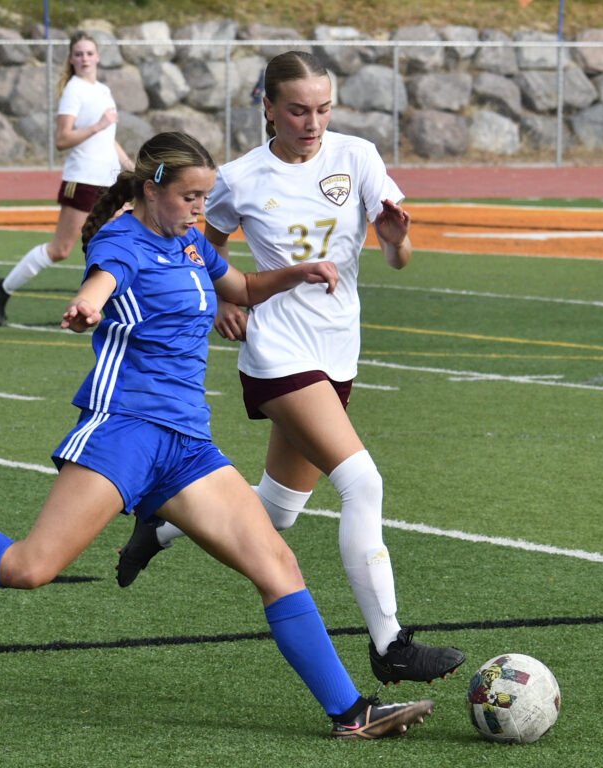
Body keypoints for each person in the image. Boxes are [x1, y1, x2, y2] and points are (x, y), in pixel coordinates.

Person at [0, 132, 433, 740]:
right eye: (189, 197)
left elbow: (242, 290)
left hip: (188, 444)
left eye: (204, 198)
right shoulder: (123, 237)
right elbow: (105, 277)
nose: (200, 210)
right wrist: (88, 305)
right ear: (152, 190)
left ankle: (351, 713)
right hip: (124, 431)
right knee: (28, 568)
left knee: (277, 564)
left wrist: (294, 273)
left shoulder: (192, 242)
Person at [115, 52, 466, 687]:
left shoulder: (356, 157)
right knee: (363, 482)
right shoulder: (241, 177)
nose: (313, 122)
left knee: (276, 512)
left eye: (324, 108)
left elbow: (400, 258)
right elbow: (203, 245)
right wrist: (225, 297)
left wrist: (392, 237)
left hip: (337, 350)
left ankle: (163, 524)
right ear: (268, 106)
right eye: (299, 110)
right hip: (278, 354)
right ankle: (390, 646)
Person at [0, 30, 134, 326]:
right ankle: (3, 289)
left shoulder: (103, 89)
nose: (84, 59)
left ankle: (114, 309)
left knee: (115, 241)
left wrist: (130, 167)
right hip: (82, 179)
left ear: (98, 57)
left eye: (89, 53)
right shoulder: (74, 90)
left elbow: (109, 137)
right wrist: (97, 125)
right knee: (61, 249)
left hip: (108, 179)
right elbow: (62, 138)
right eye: (78, 54)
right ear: (71, 58)